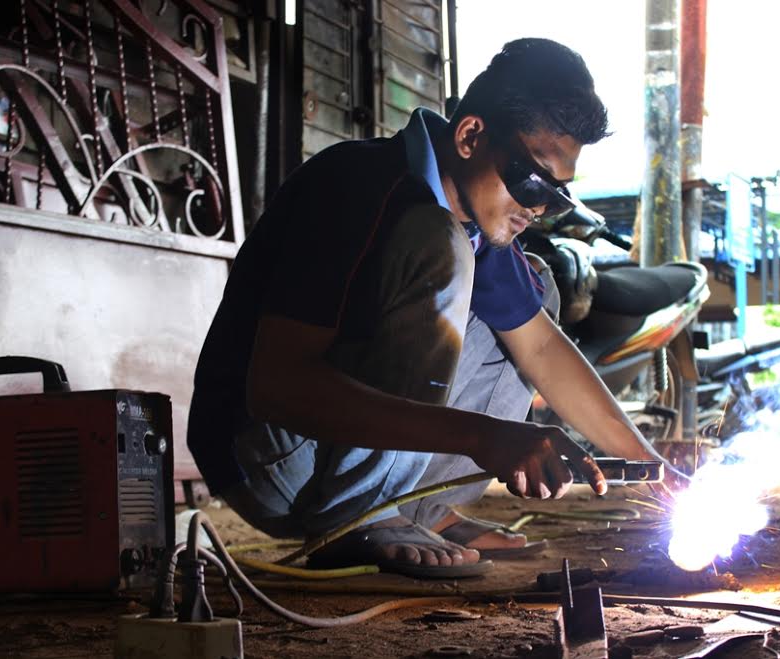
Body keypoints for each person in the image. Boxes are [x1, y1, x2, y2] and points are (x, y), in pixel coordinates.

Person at [187, 38, 672, 578]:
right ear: (470, 137)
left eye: (555, 195)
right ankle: (363, 516)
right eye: (532, 181)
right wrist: (482, 437)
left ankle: (421, 510)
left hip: (320, 452)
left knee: (536, 290)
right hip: (265, 458)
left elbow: (540, 347)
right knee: (440, 243)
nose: (537, 208)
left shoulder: (475, 219)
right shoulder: (357, 186)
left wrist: (657, 470)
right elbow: (274, 387)